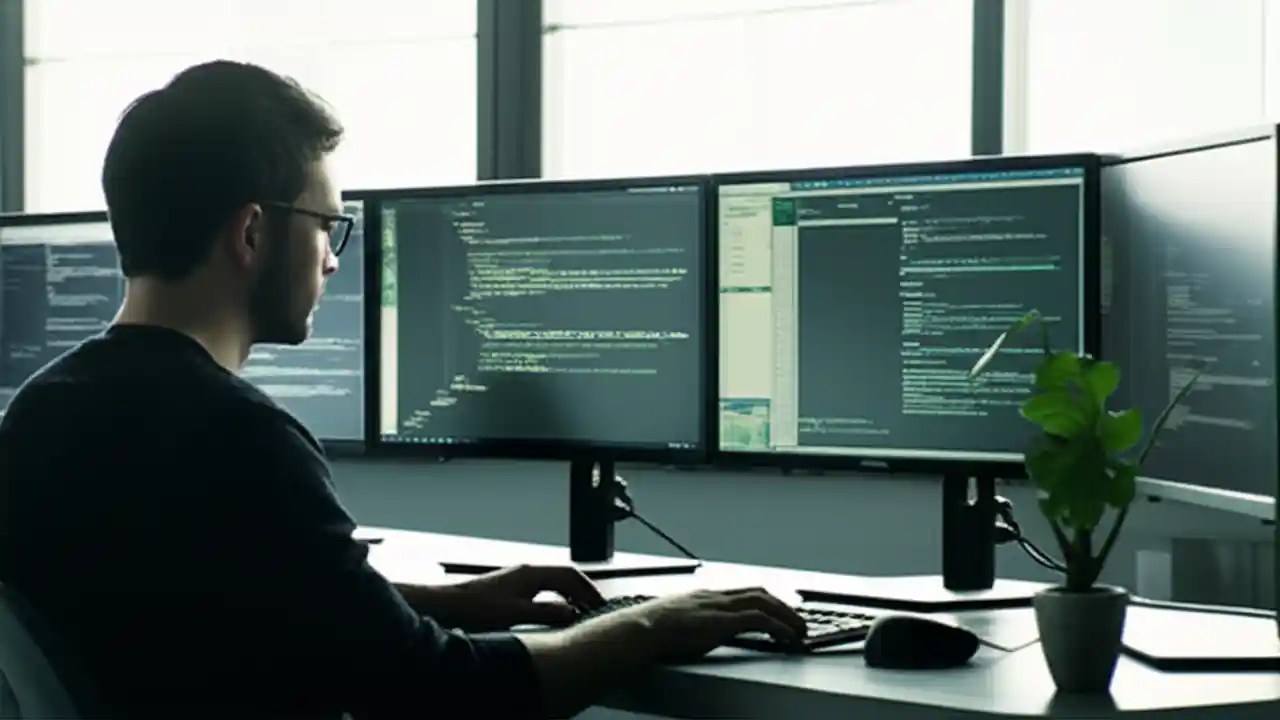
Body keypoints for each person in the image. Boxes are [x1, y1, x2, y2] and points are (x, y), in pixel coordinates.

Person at [0, 61, 805, 719]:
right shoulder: (239, 438)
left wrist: (460, 599)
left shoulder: (39, 412)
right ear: (252, 232)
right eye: (326, 225)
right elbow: (439, 691)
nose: (332, 258)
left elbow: (218, 599)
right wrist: (654, 624)